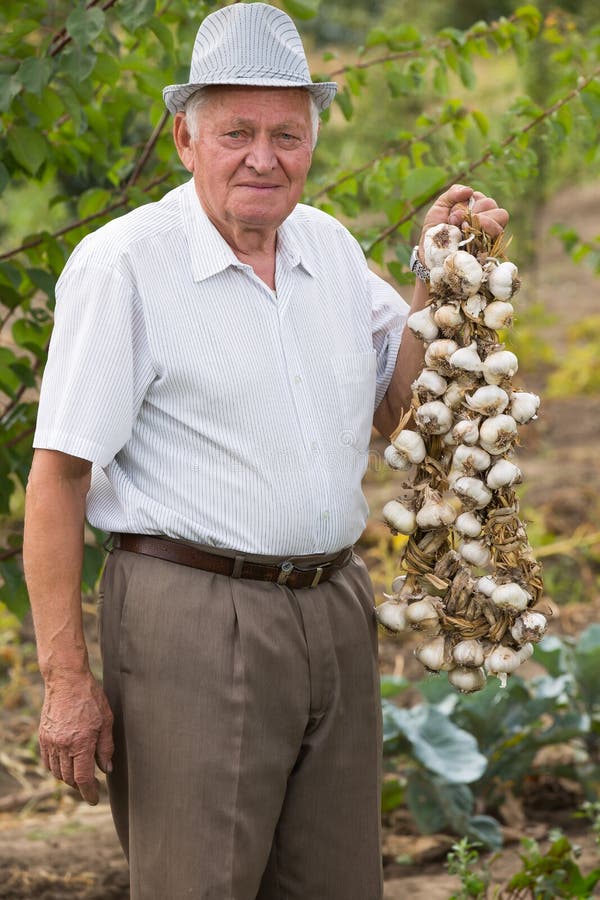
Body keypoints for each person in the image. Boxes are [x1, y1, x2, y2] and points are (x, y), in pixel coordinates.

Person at [23, 4, 508, 899]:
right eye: (236, 131)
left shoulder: (326, 245)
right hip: (192, 619)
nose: (264, 156)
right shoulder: (123, 264)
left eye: (287, 134)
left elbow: (401, 412)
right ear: (184, 138)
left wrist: (439, 277)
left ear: (312, 143)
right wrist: (67, 682)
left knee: (335, 882)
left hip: (333, 607)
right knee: (198, 885)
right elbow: (57, 481)